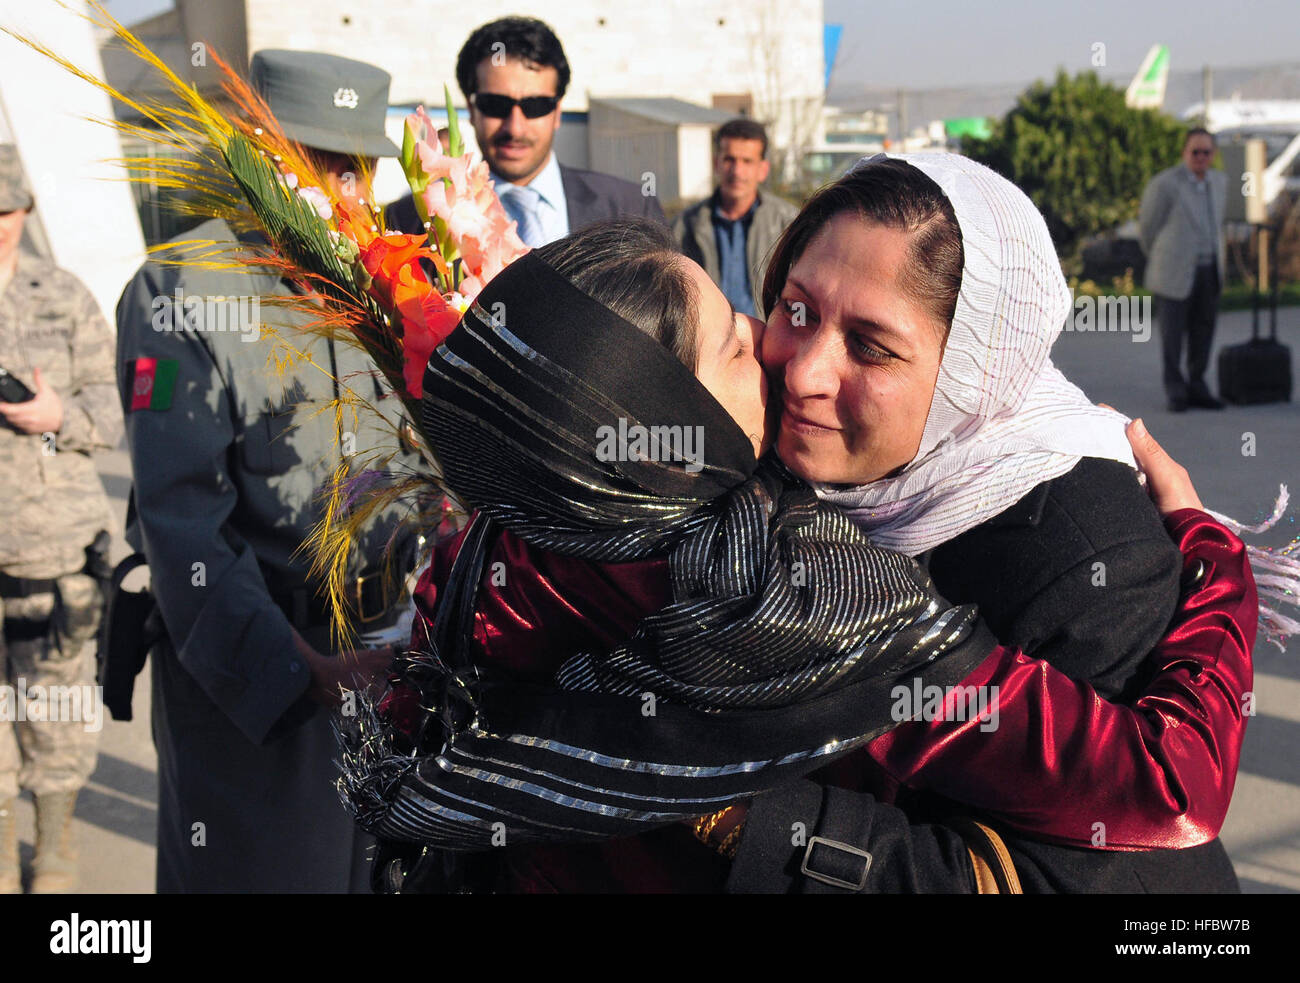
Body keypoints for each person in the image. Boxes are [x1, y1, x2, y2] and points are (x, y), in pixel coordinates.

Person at [338, 220, 1254, 894]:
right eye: (747, 339)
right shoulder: (794, 599)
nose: (787, 363)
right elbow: (1168, 785)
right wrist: (1216, 557)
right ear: (674, 429)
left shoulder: (503, 535)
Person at [743, 152, 1243, 891]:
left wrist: (735, 820)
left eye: (870, 346)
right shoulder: (776, 459)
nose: (804, 371)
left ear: (973, 375)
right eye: (798, 310)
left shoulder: (1081, 558)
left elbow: (1103, 873)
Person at [115, 51, 424, 893]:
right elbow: (183, 528)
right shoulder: (178, 291)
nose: (339, 190)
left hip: (393, 674)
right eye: (312, 162)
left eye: (355, 168)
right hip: (265, 686)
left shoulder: (385, 283)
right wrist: (306, 676)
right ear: (255, 146)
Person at [0, 144, 121, 894]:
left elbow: (113, 410)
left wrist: (56, 415)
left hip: (53, 549)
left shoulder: (65, 295)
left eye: (6, 211)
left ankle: (55, 850)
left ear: (25, 210)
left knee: (57, 709)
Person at [385, 16, 665, 242]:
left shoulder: (631, 209)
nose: (515, 127)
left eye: (535, 106)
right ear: (471, 111)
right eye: (495, 104)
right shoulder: (409, 221)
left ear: (557, 112)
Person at [673, 118, 799, 316]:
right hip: (706, 343)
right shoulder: (685, 226)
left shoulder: (789, 223)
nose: (737, 172)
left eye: (747, 161)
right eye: (729, 160)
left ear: (763, 170)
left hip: (768, 342)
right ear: (716, 163)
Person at [1139, 128, 1227, 412]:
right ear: (1184, 153)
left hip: (1208, 270)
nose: (1201, 157)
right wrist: (1160, 257)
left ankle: (1198, 384)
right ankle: (1176, 390)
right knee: (1173, 337)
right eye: (1195, 152)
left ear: (1212, 155)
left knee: (1204, 331)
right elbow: (1148, 228)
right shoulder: (1165, 184)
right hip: (1173, 272)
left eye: (1206, 152)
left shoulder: (1219, 182)